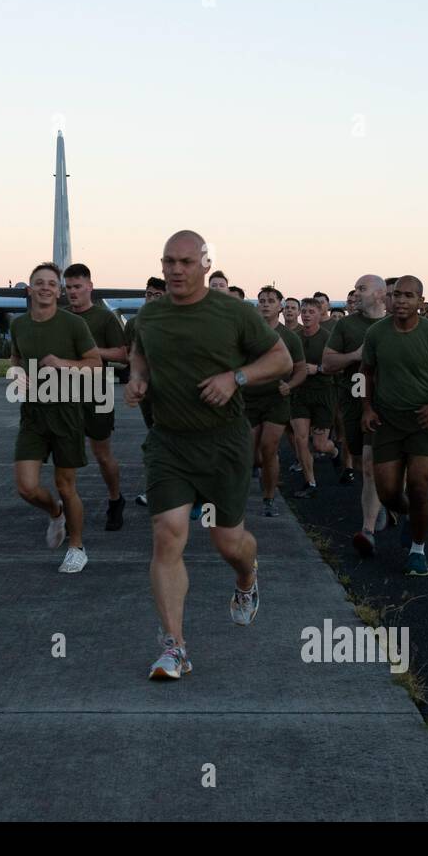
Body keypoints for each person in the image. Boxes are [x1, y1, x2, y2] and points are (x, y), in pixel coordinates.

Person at [126, 231, 291, 680]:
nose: (176, 270)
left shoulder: (234, 313)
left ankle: (247, 578)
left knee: (227, 542)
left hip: (224, 442)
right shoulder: (151, 315)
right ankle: (174, 647)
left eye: (184, 262)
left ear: (203, 263)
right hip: (169, 442)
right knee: (168, 533)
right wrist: (138, 379)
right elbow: (139, 351)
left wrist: (235, 377)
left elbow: (281, 360)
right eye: (168, 262)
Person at [360, 276, 428, 577]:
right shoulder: (377, 333)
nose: (401, 301)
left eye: (408, 296)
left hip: (422, 421)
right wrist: (366, 407)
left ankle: (418, 550)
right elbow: (366, 373)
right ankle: (410, 516)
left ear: (420, 301)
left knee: (419, 488)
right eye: (396, 296)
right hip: (387, 421)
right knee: (389, 492)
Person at [10, 263, 102, 572]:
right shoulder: (19, 325)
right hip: (33, 415)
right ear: (30, 289)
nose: (46, 287)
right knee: (26, 486)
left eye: (52, 283)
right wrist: (17, 375)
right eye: (40, 283)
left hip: (66, 413)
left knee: (66, 485)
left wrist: (62, 363)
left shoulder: (73, 325)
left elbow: (95, 364)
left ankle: (76, 546)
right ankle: (54, 513)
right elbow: (15, 358)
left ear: (59, 291)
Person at [322, 274, 390, 555]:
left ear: (378, 294)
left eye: (362, 289)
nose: (355, 293)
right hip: (352, 400)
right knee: (362, 464)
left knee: (372, 464)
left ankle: (367, 529)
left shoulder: (393, 324)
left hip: (385, 402)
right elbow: (327, 364)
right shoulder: (346, 325)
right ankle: (382, 501)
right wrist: (355, 355)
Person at [64, 263, 129, 529]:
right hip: (63, 392)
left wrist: (90, 351)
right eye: (68, 288)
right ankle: (70, 512)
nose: (72, 292)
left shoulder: (105, 317)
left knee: (102, 454)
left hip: (96, 392)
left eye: (77, 287)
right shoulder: (61, 317)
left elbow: (123, 356)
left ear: (90, 286)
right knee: (67, 456)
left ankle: (115, 499)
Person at [251, 286, 306, 516]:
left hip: (276, 400)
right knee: (249, 453)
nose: (265, 304)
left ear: (280, 307)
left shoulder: (290, 337)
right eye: (262, 300)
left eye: (271, 300)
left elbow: (301, 370)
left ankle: (269, 498)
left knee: (269, 447)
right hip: (249, 400)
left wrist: (290, 385)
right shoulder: (248, 333)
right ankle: (254, 473)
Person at [290, 298, 337, 498]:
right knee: (300, 439)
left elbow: (337, 367)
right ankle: (310, 482)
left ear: (320, 314)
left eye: (311, 311)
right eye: (305, 311)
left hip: (323, 393)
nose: (307, 315)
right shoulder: (294, 337)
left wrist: (317, 369)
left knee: (319, 445)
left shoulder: (328, 338)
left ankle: (334, 452)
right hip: (299, 393)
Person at [127, 277, 166, 507]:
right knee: (156, 440)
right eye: (149, 294)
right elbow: (129, 355)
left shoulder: (177, 321)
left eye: (158, 295)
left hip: (174, 394)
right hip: (148, 395)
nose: (151, 299)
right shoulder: (135, 324)